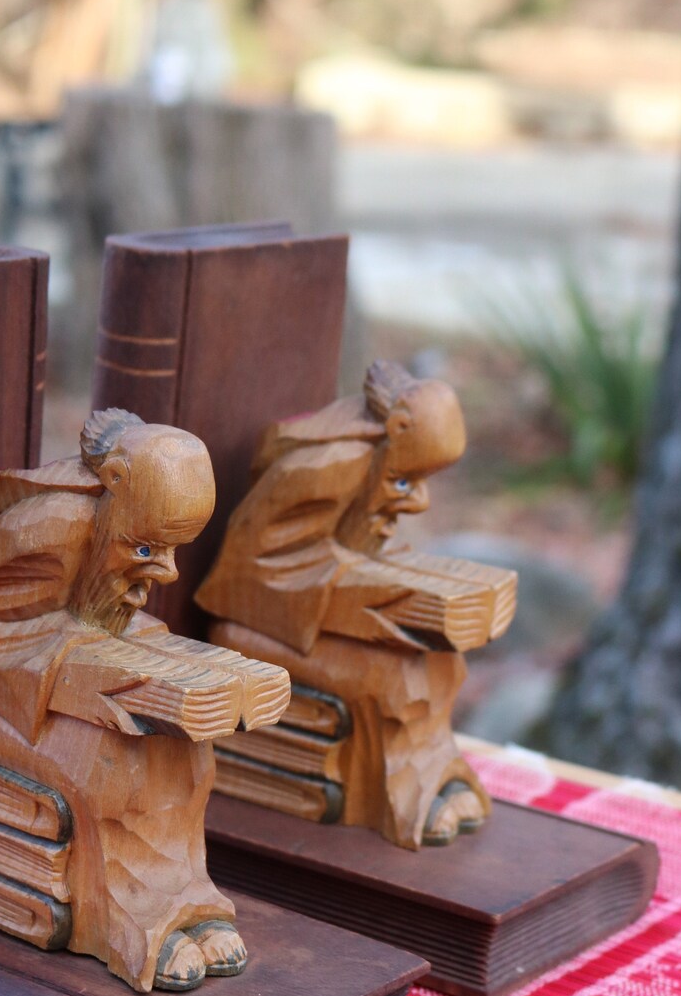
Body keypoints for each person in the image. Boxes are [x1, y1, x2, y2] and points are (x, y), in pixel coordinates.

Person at [0, 409, 274, 992]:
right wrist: (85, 667)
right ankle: (129, 921)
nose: (170, 574)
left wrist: (159, 663)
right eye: (148, 550)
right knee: (111, 762)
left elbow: (107, 624)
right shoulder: (50, 526)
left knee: (187, 751)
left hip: (60, 675)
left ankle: (190, 902)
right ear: (117, 485)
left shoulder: (117, 525)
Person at [197, 361, 516, 849]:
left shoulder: (372, 461)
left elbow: (342, 551)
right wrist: (380, 597)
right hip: (255, 623)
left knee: (442, 662)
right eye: (406, 482)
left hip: (310, 613)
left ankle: (434, 778)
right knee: (398, 678)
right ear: (393, 435)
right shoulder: (329, 464)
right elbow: (249, 573)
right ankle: (405, 800)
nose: (420, 503)